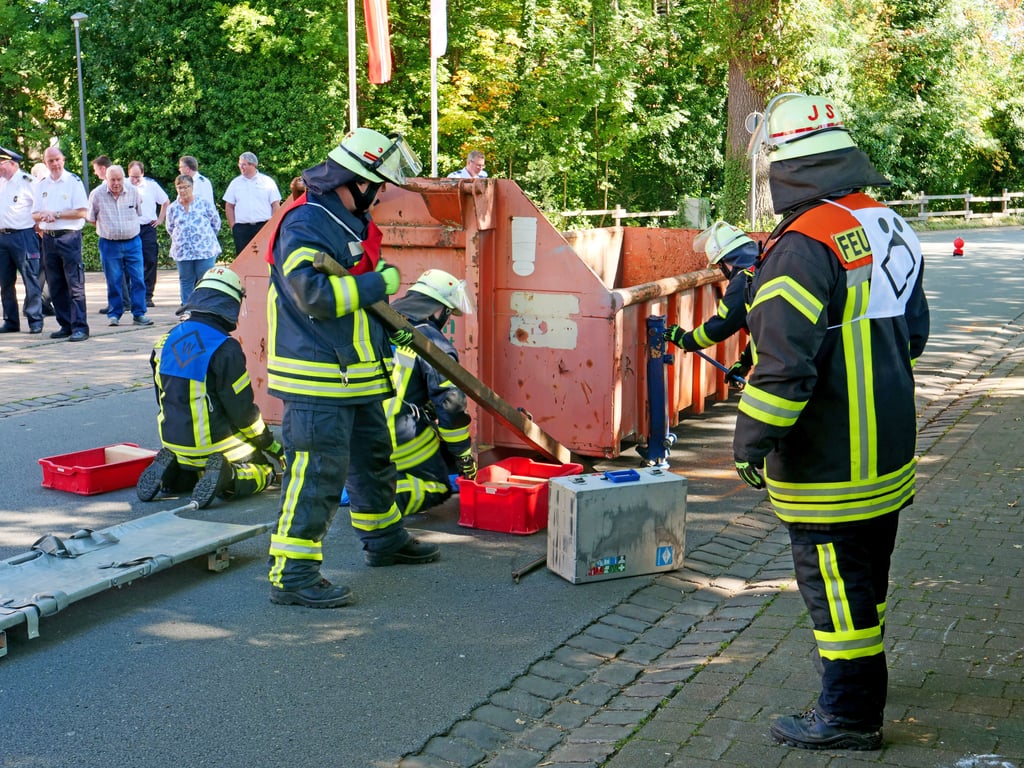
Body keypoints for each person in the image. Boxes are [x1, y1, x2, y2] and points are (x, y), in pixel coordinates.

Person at [733, 93, 929, 751]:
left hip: (829, 466)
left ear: (782, 164)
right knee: (867, 581)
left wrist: (751, 442)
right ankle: (863, 684)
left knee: (837, 597)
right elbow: (917, 333)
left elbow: (783, 369)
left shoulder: (802, 245)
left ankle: (849, 714)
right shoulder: (885, 222)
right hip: (890, 454)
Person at [265, 127, 436, 609]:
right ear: (353, 179)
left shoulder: (344, 221)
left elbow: (356, 303)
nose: (381, 194)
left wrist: (388, 329)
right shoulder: (306, 223)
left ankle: (383, 542)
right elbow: (313, 296)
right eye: (377, 185)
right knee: (317, 474)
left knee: (374, 461)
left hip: (356, 372)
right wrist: (377, 286)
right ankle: (292, 573)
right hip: (318, 377)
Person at [137, 266, 284, 507]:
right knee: (263, 470)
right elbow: (243, 412)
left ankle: (174, 474)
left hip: (173, 441)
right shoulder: (225, 348)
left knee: (197, 467)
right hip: (216, 445)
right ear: (231, 305)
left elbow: (161, 398)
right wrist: (271, 445)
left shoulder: (163, 343)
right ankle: (230, 477)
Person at [386, 269, 477, 516]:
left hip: (356, 425)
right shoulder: (432, 342)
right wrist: (464, 455)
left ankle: (373, 489)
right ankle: (383, 506)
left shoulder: (380, 320)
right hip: (395, 430)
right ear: (440, 309)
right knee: (438, 484)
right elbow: (450, 404)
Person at [664, 221, 758, 386]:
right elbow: (768, 329)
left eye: (719, 266)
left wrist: (685, 340)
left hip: (786, 366)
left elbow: (722, 324)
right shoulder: (765, 266)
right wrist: (745, 361)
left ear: (726, 261)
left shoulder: (743, 280)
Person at [31, 146, 90, 342]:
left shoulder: (73, 181)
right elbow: (34, 213)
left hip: (69, 236)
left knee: (74, 284)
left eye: (57, 159)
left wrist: (55, 214)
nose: (55, 164)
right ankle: (65, 324)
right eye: (50, 161)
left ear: (63, 159)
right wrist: (43, 215)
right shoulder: (41, 185)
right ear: (45, 162)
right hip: (48, 237)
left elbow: (82, 211)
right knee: (55, 285)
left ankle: (80, 326)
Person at [87, 164, 152, 327]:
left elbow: (138, 212)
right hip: (109, 243)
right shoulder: (97, 194)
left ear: (124, 179)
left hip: (133, 241)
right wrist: (108, 229)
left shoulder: (133, 192)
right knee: (113, 280)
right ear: (106, 179)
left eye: (119, 179)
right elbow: (92, 218)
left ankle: (139, 314)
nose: (116, 183)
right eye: (112, 180)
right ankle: (114, 314)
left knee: (138, 279)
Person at [0, 146, 45, 334]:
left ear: (11, 163)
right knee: (5, 282)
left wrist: (40, 229)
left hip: (24, 236)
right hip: (2, 237)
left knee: (30, 278)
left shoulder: (29, 182)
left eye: (0, 164)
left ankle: (35, 320)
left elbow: (41, 207)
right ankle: (11, 321)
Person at [165, 174, 222, 306]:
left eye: (186, 187)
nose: (183, 190)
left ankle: (206, 307)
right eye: (179, 187)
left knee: (205, 279)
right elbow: (170, 227)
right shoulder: (172, 208)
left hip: (204, 249)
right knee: (186, 280)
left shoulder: (203, 203)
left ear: (192, 187)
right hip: (183, 251)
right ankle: (188, 308)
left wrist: (205, 237)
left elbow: (215, 223)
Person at [127, 161, 170, 307]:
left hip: (147, 227)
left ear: (143, 174)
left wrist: (160, 219)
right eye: (132, 177)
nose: (135, 180)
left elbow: (165, 201)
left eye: (137, 177)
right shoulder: (125, 185)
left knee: (150, 260)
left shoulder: (151, 185)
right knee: (128, 262)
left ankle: (147, 295)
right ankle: (128, 296)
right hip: (129, 227)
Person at [223, 152, 281, 255]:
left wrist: (273, 225)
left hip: (264, 226)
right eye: (240, 164)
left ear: (253, 165)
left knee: (266, 257)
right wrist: (234, 226)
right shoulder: (235, 183)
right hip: (242, 229)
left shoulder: (267, 182)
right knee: (243, 259)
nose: (241, 167)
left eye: (244, 164)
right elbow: (229, 206)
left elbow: (275, 205)